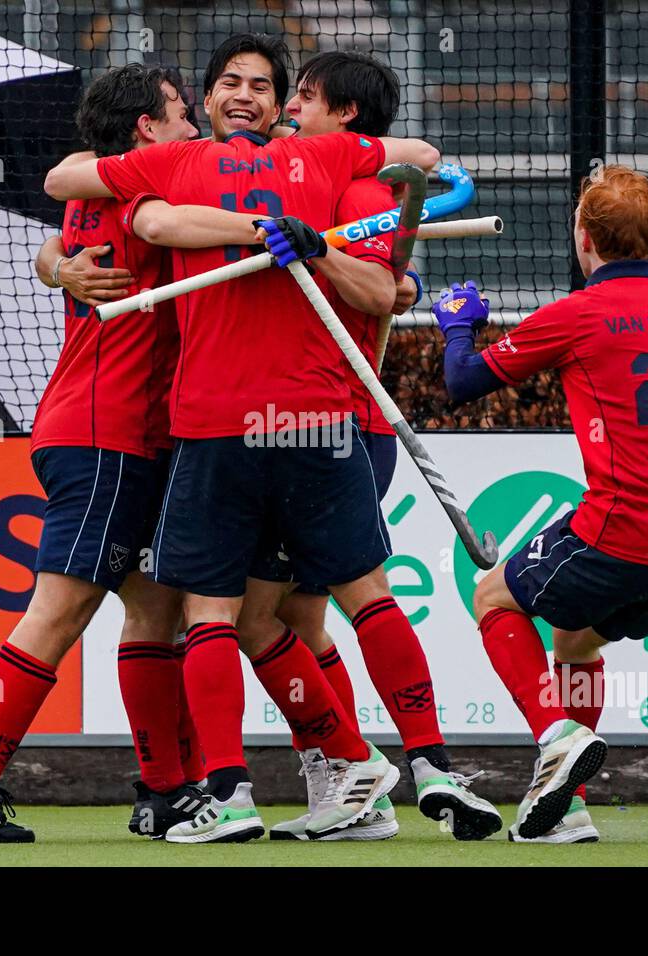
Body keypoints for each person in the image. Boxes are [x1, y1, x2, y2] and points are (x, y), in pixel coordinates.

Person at [45, 33, 498, 844]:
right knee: (258, 614)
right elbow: (91, 192)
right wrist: (256, 229)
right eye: (230, 82)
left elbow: (409, 191)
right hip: (249, 424)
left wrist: (323, 244)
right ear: (208, 101)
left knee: (302, 605)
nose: (250, 95)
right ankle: (304, 783)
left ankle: (408, 768)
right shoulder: (200, 164)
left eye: (266, 85)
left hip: (288, 422)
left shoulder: (321, 163)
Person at [0, 64, 212, 844]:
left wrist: (55, 265)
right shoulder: (143, 188)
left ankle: (165, 789)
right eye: (183, 115)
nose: (194, 128)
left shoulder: (95, 192)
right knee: (61, 609)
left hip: (116, 431)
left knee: (153, 607)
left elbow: (56, 233)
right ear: (148, 129)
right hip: (105, 432)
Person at [434, 164, 648, 843]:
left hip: (626, 529)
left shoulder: (579, 314)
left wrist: (458, 323)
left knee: (494, 597)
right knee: (575, 639)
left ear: (584, 237)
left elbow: (462, 381)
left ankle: (554, 738)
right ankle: (565, 807)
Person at [239, 49, 500, 842]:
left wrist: (316, 249)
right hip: (304, 422)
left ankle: (407, 764)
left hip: (337, 426)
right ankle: (368, 787)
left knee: (283, 613)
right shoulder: (321, 178)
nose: (290, 110)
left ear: (346, 116)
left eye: (305, 99)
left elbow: (380, 289)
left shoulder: (357, 190)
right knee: (304, 621)